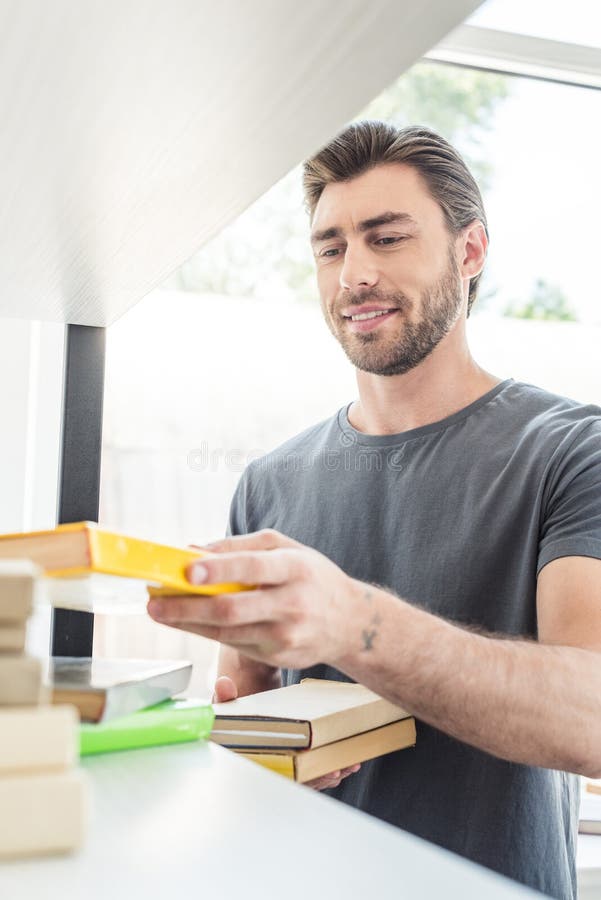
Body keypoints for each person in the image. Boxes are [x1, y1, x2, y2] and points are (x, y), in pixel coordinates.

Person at [147, 121, 601, 900]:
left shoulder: (570, 452)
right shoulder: (268, 483)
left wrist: (354, 622)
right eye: (330, 248)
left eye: (385, 238)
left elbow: (590, 720)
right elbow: (247, 720)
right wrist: (255, 754)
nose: (353, 273)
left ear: (469, 252)